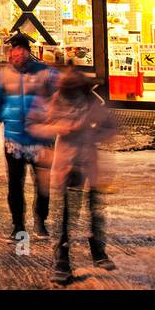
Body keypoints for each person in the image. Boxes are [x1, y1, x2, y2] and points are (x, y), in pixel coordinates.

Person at [28, 67, 119, 284]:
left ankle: (98, 249)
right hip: (66, 165)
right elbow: (34, 124)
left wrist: (94, 135)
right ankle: (62, 259)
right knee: (67, 213)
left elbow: (112, 126)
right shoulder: (55, 102)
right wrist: (60, 127)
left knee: (95, 208)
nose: (71, 97)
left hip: (89, 162)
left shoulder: (91, 103)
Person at [0, 31, 59, 241]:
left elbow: (62, 96)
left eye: (19, 53)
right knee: (15, 186)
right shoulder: (3, 76)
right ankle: (18, 225)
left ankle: (41, 221)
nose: (15, 57)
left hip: (42, 140)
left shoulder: (46, 73)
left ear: (28, 53)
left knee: (42, 185)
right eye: (12, 54)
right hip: (14, 140)